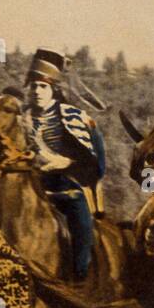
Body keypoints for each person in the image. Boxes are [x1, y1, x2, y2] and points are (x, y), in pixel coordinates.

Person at [22, 49, 105, 279]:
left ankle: (79, 277)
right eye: (34, 86)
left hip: (64, 187)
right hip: (30, 188)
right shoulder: (23, 118)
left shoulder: (72, 116)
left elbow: (93, 162)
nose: (37, 91)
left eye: (43, 86)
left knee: (81, 221)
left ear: (54, 89)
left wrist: (64, 162)